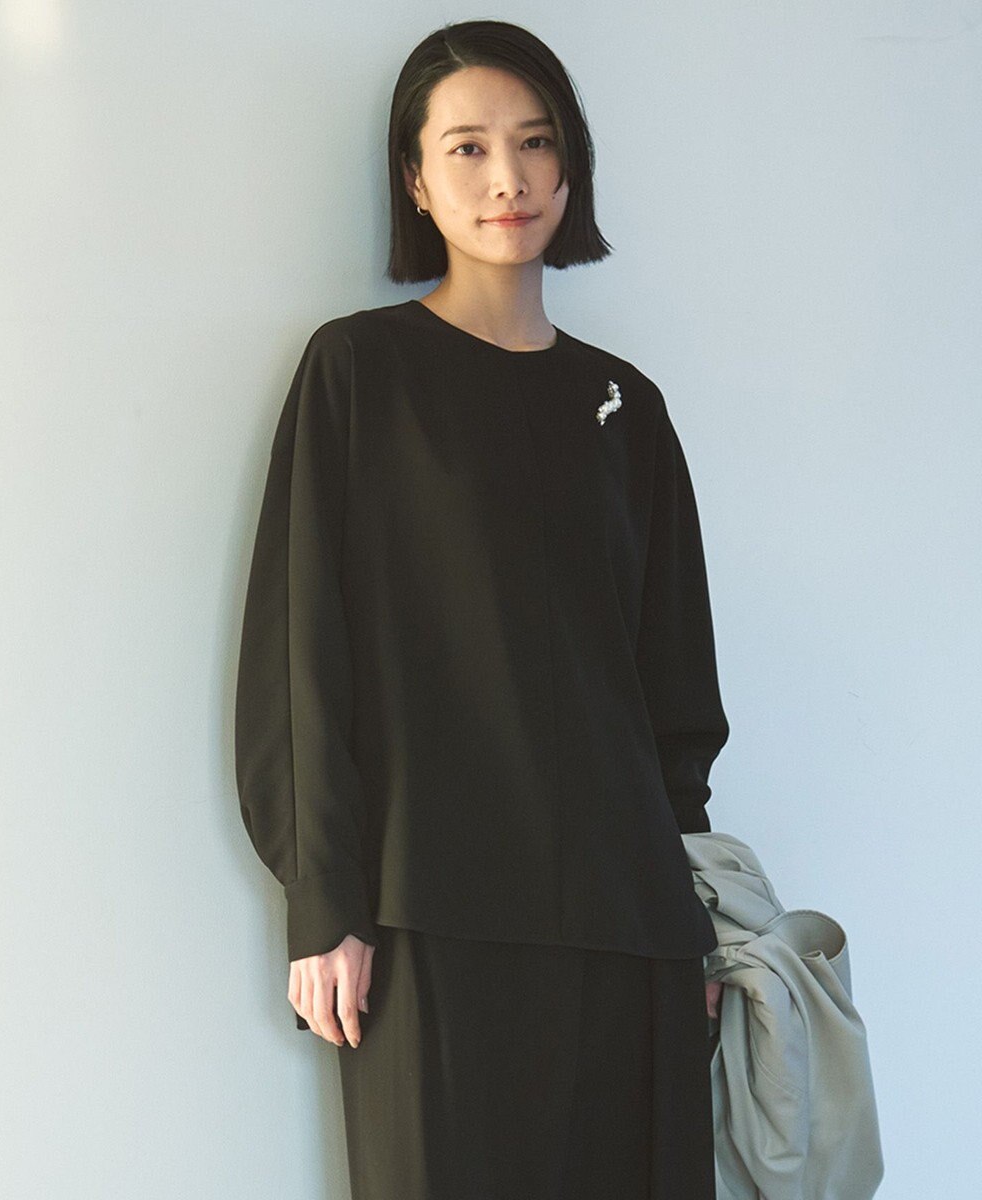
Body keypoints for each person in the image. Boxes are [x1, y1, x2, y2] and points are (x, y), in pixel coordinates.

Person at [234, 18, 730, 1200]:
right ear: (415, 179)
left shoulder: (626, 407)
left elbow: (672, 685)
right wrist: (321, 902)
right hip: (428, 913)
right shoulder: (359, 372)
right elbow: (302, 657)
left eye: (535, 141)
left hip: (633, 923)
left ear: (571, 165)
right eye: (466, 147)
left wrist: (694, 911)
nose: (508, 177)